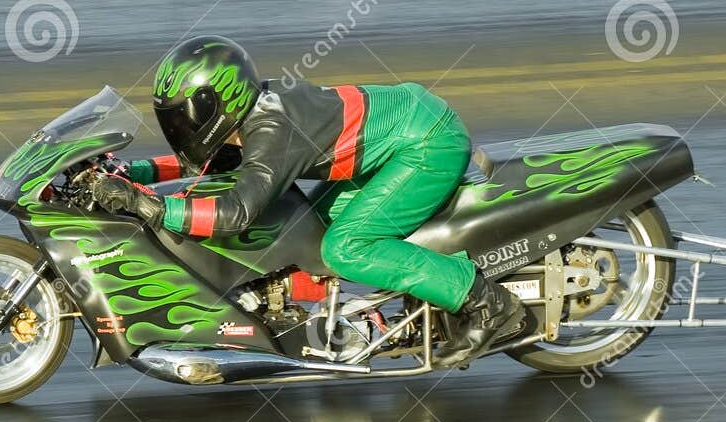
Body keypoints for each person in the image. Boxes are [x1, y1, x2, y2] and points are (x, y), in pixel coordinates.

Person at [89, 35, 524, 368]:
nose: (181, 125)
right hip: (397, 140)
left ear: (216, 104)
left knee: (346, 247)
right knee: (305, 232)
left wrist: (152, 207)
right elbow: (202, 166)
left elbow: (236, 212)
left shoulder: (273, 131)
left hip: (427, 144)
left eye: (186, 114)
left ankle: (489, 304)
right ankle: (335, 320)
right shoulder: (250, 116)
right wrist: (134, 173)